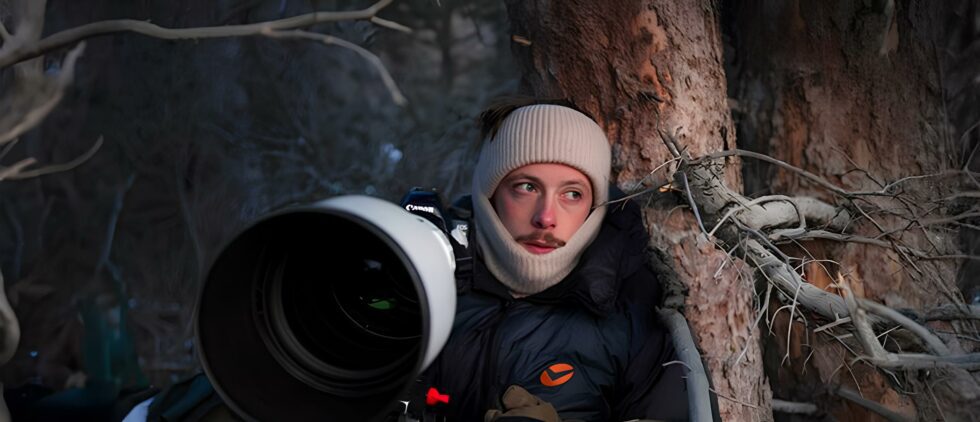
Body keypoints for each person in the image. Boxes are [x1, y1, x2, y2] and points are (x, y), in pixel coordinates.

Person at [420, 97, 690, 421]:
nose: (546, 218)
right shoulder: (427, 275)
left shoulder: (633, 309)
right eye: (526, 187)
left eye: (572, 194)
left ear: (594, 205)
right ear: (489, 193)